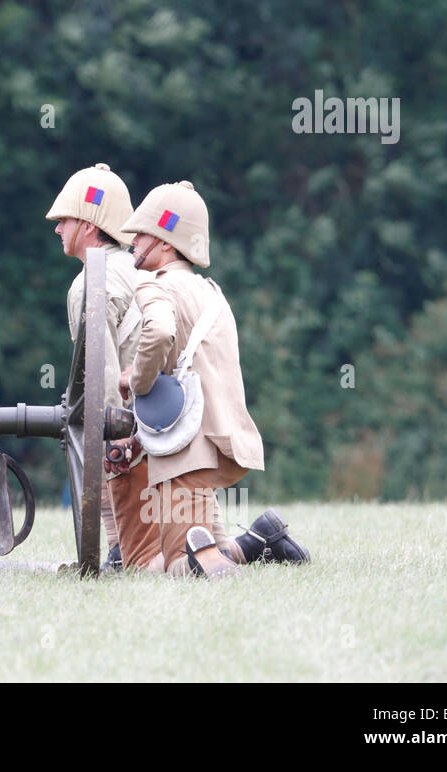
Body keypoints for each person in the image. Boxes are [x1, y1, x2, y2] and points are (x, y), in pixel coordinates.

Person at [116, 181, 310, 577]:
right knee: (215, 545)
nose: (133, 240)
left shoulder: (156, 286)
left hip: (183, 448)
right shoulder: (211, 292)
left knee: (174, 563)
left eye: (142, 233)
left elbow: (159, 331)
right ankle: (261, 541)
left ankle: (201, 560)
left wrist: (137, 380)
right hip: (216, 442)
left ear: (166, 242)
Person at [45, 163, 159, 571]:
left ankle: (117, 547)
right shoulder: (140, 269)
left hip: (132, 430)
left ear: (90, 225)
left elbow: (103, 377)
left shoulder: (88, 285)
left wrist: (113, 439)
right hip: (165, 422)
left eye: (65, 221)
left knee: (134, 560)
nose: (58, 229)